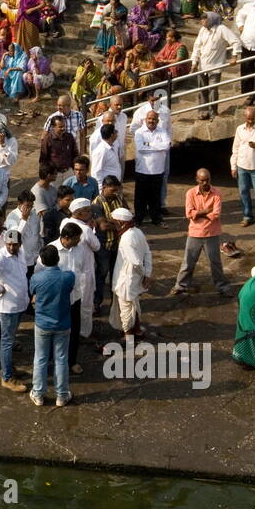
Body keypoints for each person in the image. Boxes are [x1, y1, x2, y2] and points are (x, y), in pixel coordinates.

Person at [0, 228, 29, 393]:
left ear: (19, 244)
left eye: (14, 245)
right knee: (7, 341)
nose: (11, 248)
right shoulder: (1, 257)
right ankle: (7, 377)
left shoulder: (20, 253)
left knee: (10, 338)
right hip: (8, 306)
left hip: (20, 303)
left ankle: (10, 368)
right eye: (9, 245)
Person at [171, 168, 228, 296]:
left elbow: (216, 214)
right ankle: (180, 285)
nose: (205, 183)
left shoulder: (217, 193)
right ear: (197, 180)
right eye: (202, 180)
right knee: (188, 262)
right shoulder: (190, 193)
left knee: (215, 262)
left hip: (212, 233)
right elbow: (189, 214)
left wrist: (198, 213)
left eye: (207, 180)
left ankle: (222, 287)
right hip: (195, 233)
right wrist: (206, 211)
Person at [29, 245, 75, 406]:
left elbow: (32, 292)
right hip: (62, 323)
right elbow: (70, 287)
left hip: (42, 323)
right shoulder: (68, 277)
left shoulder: (36, 278)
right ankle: (62, 395)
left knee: (40, 358)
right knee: (61, 359)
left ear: (42, 260)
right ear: (58, 258)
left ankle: (38, 393)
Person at [110, 207, 152, 338]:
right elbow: (147, 253)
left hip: (127, 278)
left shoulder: (126, 238)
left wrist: (145, 274)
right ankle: (138, 330)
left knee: (126, 307)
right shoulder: (138, 232)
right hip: (135, 277)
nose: (112, 225)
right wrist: (147, 274)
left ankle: (128, 335)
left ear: (120, 222)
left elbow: (135, 262)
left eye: (113, 222)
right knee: (134, 304)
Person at [132, 110, 169, 226]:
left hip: (158, 170)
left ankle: (156, 219)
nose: (151, 121)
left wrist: (148, 144)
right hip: (142, 170)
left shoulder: (162, 131)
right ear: (145, 119)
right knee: (140, 197)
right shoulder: (139, 132)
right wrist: (158, 147)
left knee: (155, 197)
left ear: (157, 121)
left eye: (154, 119)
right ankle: (138, 219)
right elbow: (140, 148)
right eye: (149, 118)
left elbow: (167, 146)